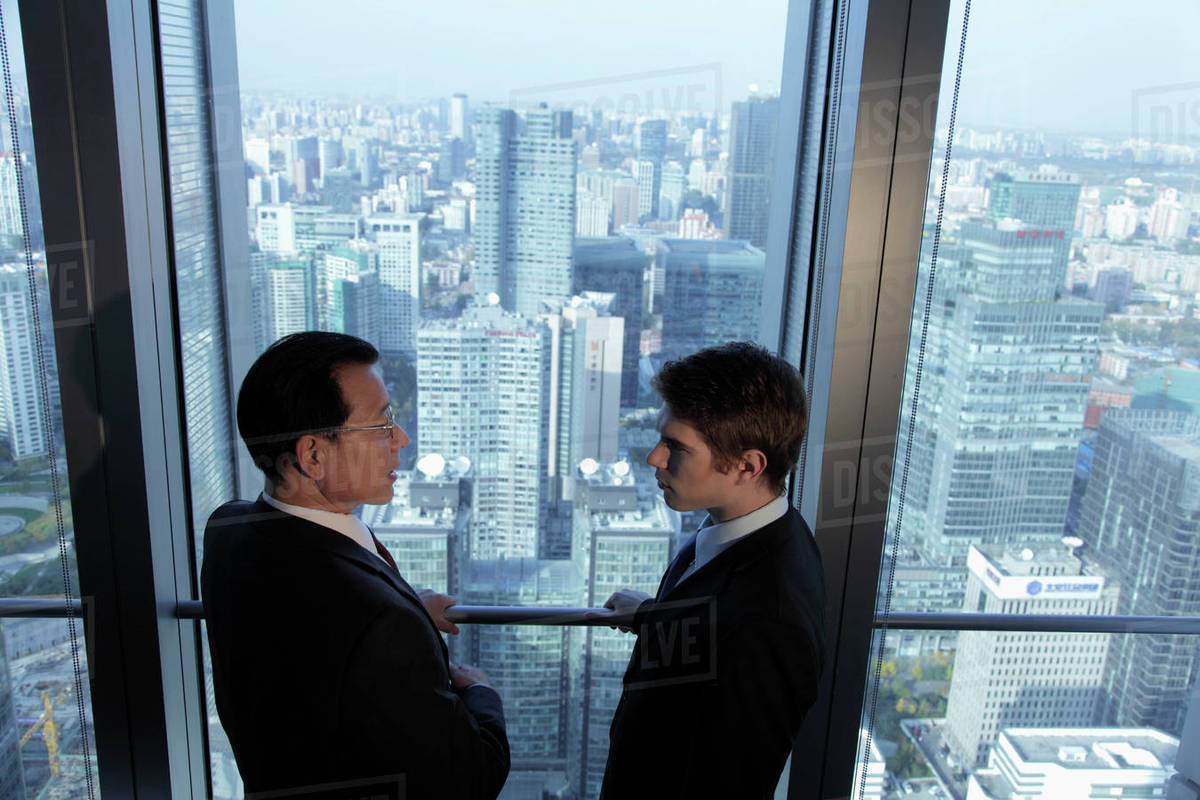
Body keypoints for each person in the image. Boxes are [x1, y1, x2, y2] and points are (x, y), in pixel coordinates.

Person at [201, 332, 509, 799]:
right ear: (312, 456)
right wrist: (481, 694)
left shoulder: (227, 531)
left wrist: (399, 608)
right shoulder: (380, 623)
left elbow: (309, 639)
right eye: (382, 425)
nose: (401, 439)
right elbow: (471, 777)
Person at [600, 341, 826, 800]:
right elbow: (718, 625)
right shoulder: (750, 534)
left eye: (675, 447)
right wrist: (651, 617)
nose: (653, 459)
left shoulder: (770, 624)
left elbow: (731, 780)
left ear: (746, 465)